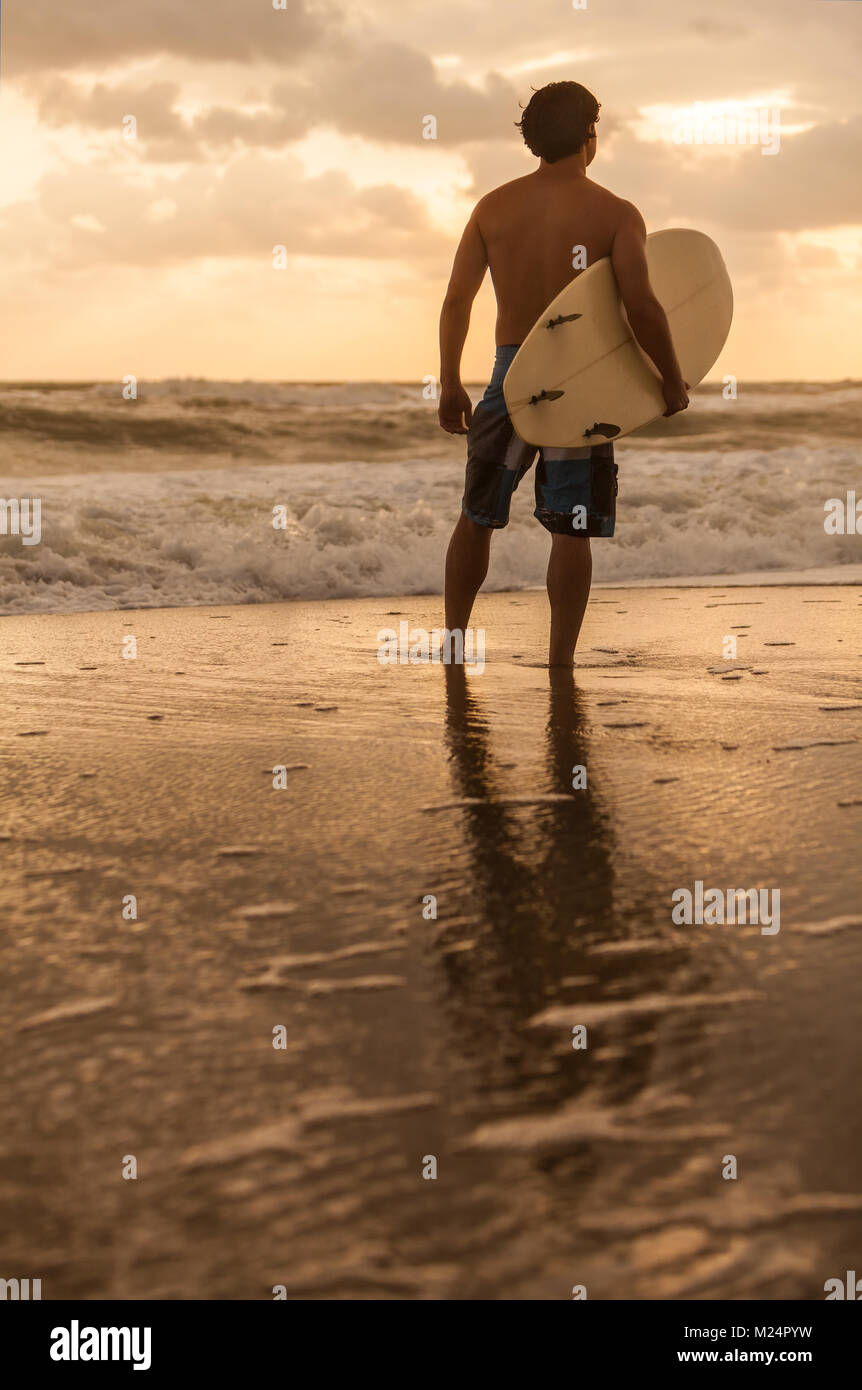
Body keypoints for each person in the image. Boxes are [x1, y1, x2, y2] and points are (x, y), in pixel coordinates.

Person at [438, 81, 689, 667]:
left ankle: (453, 649)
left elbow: (457, 301)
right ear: (588, 135)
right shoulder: (616, 213)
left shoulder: (492, 208)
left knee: (477, 515)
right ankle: (560, 662)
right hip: (580, 385)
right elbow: (643, 308)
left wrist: (450, 382)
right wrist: (670, 378)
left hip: (510, 375)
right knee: (571, 529)